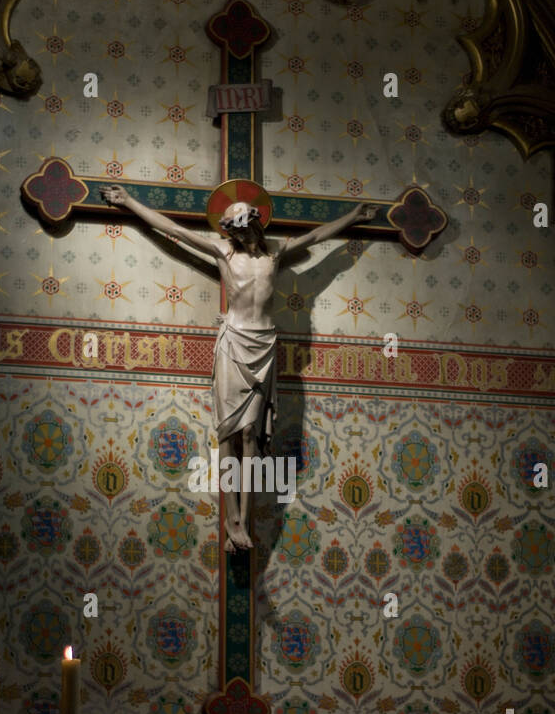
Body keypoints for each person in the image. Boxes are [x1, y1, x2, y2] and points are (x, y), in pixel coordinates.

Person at [99, 185, 376, 552]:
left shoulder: (274, 253)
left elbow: (317, 237)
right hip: (233, 343)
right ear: (229, 229)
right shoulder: (223, 252)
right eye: (235, 228)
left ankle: (243, 519)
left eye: (245, 227)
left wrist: (353, 217)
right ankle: (232, 520)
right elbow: (177, 233)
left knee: (250, 436)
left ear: (256, 225)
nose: (241, 234)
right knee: (229, 433)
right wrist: (131, 202)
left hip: (264, 346)